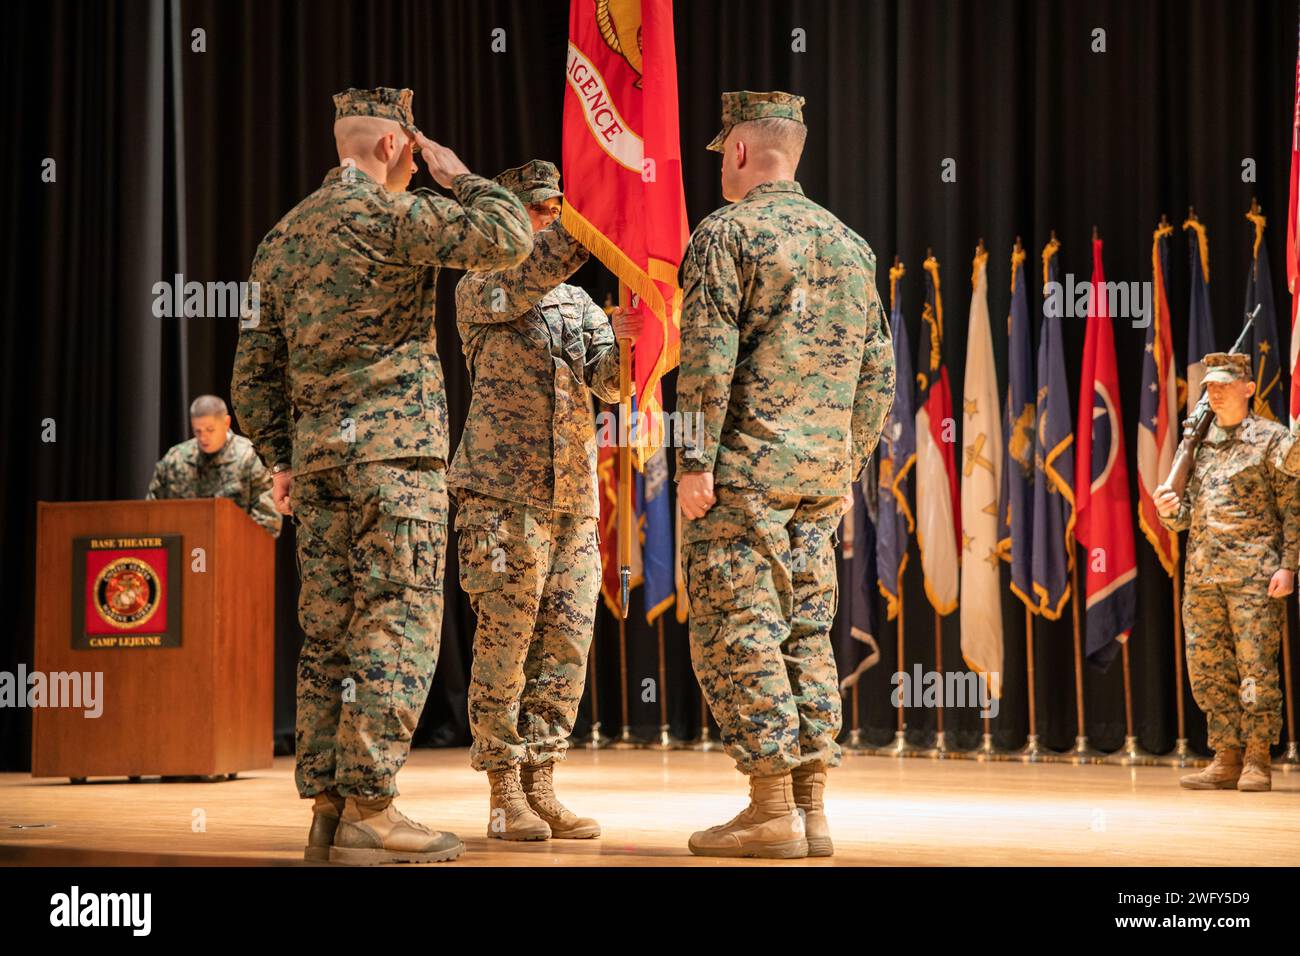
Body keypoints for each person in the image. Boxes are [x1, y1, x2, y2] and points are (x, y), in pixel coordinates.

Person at [231, 86, 533, 864]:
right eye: (413, 146)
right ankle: (373, 806)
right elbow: (509, 237)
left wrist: (279, 458)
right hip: (394, 463)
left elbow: (253, 373)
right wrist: (459, 172)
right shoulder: (397, 217)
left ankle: (329, 810)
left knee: (328, 635)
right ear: (397, 146)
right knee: (395, 625)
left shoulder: (281, 237)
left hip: (321, 464)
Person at [674, 91, 895, 858]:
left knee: (740, 632)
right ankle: (812, 809)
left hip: (744, 476)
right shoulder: (850, 244)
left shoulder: (725, 234)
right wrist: (845, 465)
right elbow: (880, 372)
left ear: (737, 152)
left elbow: (704, 361)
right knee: (805, 630)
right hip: (818, 481)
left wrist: (693, 462)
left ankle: (769, 809)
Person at [450, 159, 640, 841]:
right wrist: (607, 221)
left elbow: (611, 388)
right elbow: (537, 271)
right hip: (503, 498)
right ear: (506, 216)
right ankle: (503, 790)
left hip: (573, 500)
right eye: (536, 209)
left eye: (556, 209)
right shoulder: (483, 286)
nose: (548, 220)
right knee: (507, 641)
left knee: (565, 645)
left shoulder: (580, 304)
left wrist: (626, 347)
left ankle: (542, 783)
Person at [1155, 351, 1298, 792]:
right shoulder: (1197, 444)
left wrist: (1290, 566)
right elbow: (1187, 515)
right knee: (1209, 670)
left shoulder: (1273, 440)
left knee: (1255, 668)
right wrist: (1168, 512)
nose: (1213, 392)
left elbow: (1292, 509)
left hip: (1253, 576)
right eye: (1209, 386)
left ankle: (1257, 757)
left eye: (1223, 384)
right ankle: (1225, 755)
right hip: (1202, 576)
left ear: (1248, 388)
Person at [146, 394, 281, 537]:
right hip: (183, 550)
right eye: (198, 431)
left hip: (235, 550)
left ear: (226, 423)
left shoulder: (251, 458)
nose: (203, 437)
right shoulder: (176, 459)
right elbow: (152, 513)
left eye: (210, 430)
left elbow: (268, 521)